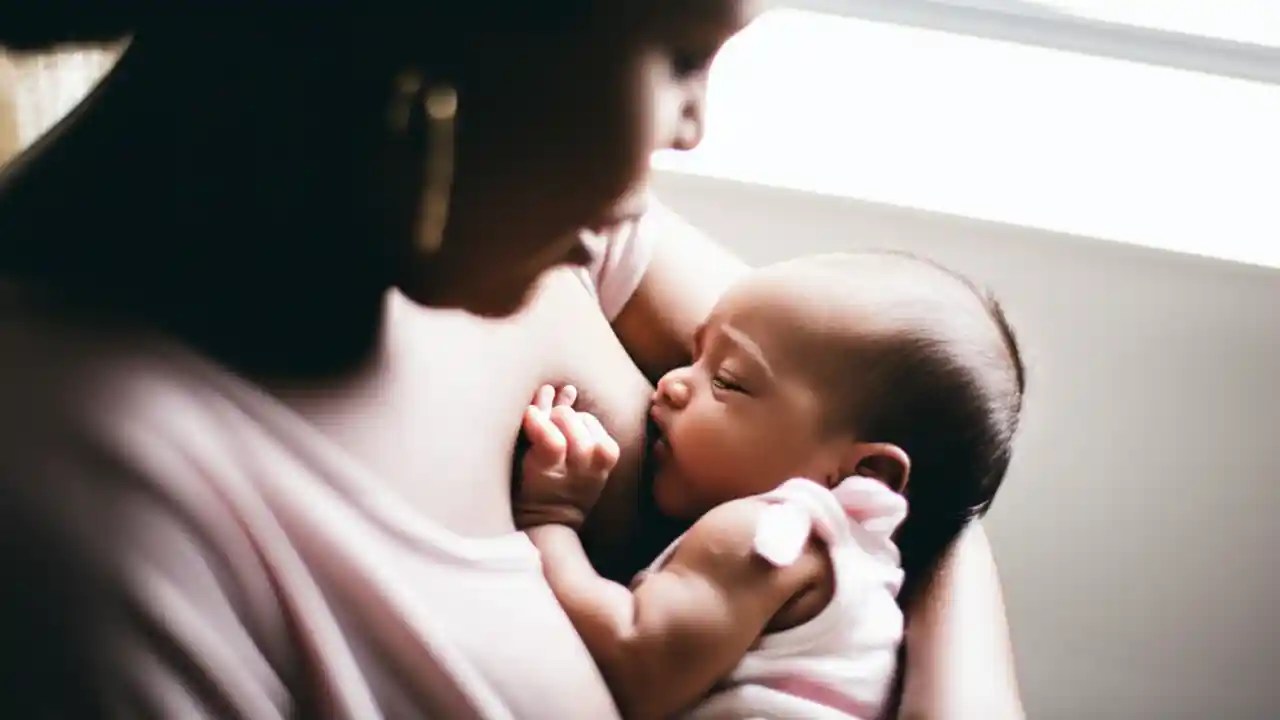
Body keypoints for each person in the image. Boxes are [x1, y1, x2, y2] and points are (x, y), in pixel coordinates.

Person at [0, 4, 1024, 718]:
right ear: (449, 32)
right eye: (677, 55)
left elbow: (898, 412)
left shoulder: (530, 211)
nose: (692, 130)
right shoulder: (86, 530)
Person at [516, 253, 1024, 718]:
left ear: (865, 475)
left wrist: (551, 519)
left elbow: (633, 671)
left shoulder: (768, 536)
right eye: (696, 356)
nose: (672, 381)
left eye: (728, 380)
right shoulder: (859, 573)